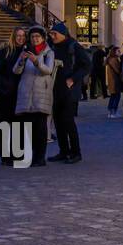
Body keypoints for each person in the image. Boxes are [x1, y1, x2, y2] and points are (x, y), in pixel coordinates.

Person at [12, 26, 56, 168]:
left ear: (43, 38)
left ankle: (40, 158)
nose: (35, 39)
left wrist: (36, 61)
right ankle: (29, 156)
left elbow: (48, 70)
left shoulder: (48, 52)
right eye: (32, 37)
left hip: (41, 93)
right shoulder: (25, 51)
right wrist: (22, 61)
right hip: (26, 93)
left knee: (40, 128)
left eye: (38, 36)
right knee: (28, 128)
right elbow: (16, 71)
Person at [48, 22, 90, 164]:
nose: (52, 36)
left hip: (70, 89)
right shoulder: (53, 46)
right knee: (58, 122)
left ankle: (76, 152)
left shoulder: (74, 46)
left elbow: (86, 65)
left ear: (63, 34)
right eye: (51, 34)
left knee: (68, 121)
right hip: (55, 88)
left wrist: (73, 78)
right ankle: (63, 151)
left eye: (55, 34)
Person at [0, 28, 28, 166]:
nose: (20, 38)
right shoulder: (5, 52)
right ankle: (5, 156)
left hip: (21, 93)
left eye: (23, 36)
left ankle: (18, 154)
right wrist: (6, 85)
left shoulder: (26, 52)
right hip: (5, 93)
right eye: (18, 35)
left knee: (18, 125)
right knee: (3, 124)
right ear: (13, 36)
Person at [105, 46, 122, 117]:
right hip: (115, 80)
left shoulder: (110, 59)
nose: (120, 52)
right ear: (114, 52)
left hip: (112, 80)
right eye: (118, 51)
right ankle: (113, 112)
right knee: (117, 96)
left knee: (113, 96)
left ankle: (110, 111)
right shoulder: (114, 60)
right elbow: (118, 70)